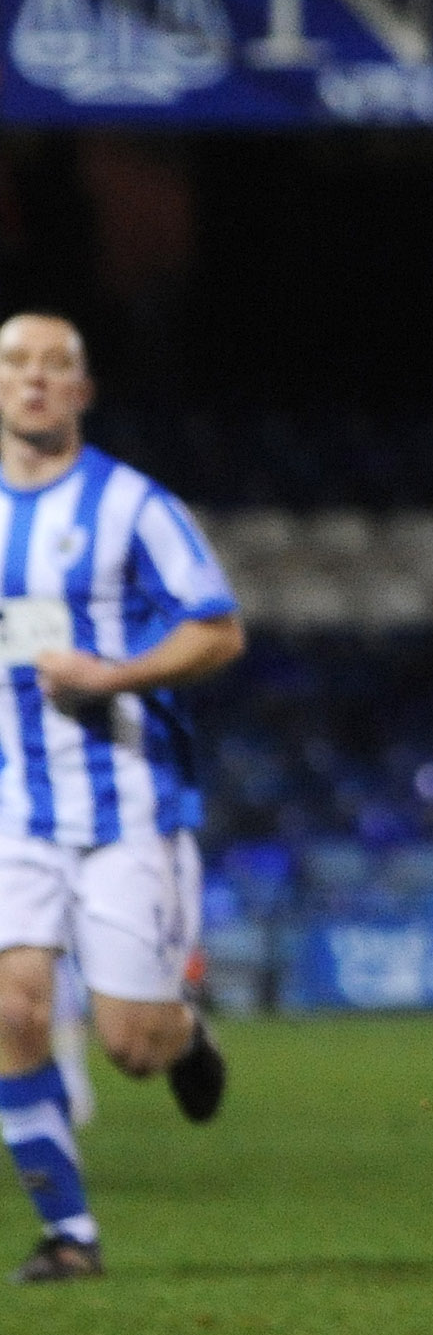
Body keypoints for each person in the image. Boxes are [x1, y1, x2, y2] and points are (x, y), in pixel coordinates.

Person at [0, 313, 245, 1284]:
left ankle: (184, 1036)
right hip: (16, 805)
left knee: (129, 1048)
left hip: (128, 808)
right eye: (16, 362)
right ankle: (71, 1235)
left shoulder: (134, 506)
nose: (34, 379)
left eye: (55, 365)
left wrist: (111, 675)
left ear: (82, 392)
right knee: (11, 1010)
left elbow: (218, 630)